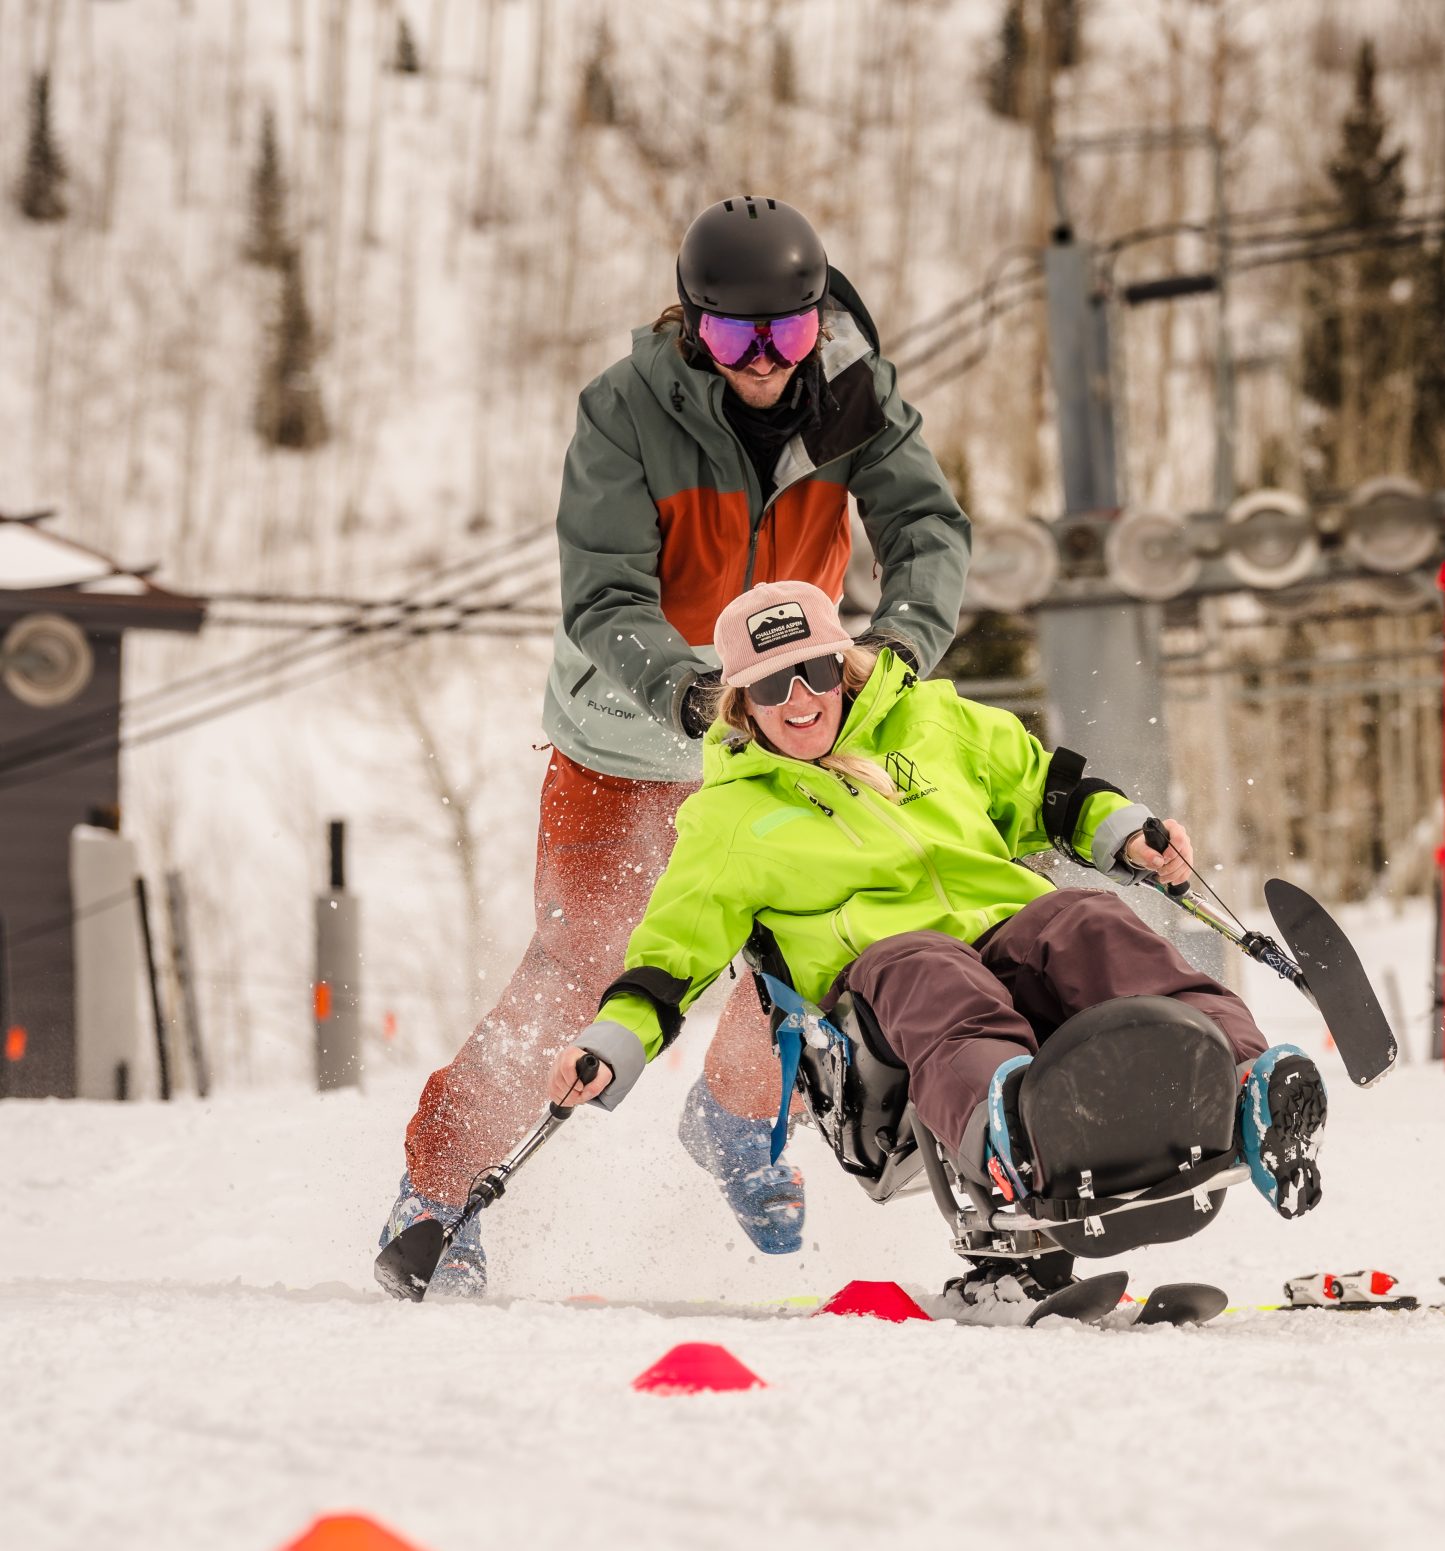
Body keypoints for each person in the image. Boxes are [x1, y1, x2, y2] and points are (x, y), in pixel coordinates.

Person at [380, 198, 972, 1295]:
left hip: (793, 713)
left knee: (807, 942)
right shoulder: (625, 409)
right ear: (691, 325)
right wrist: (689, 694)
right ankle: (439, 1188)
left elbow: (927, 531)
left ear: (816, 324)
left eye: (785, 337)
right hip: (631, 724)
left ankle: (735, 1120)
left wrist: (899, 644)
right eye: (734, 339)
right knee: (583, 971)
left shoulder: (854, 399)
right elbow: (602, 593)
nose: (761, 364)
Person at [542, 580, 1330, 1302]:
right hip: (880, 1012)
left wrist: (1123, 833)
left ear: (843, 667)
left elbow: (1046, 787)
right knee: (927, 964)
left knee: (1087, 922)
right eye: (772, 685)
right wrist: (613, 1041)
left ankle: (1251, 1083)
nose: (800, 699)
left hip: (1008, 939)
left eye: (813, 670)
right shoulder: (727, 818)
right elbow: (670, 957)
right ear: (743, 704)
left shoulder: (932, 722)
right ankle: (1011, 1132)